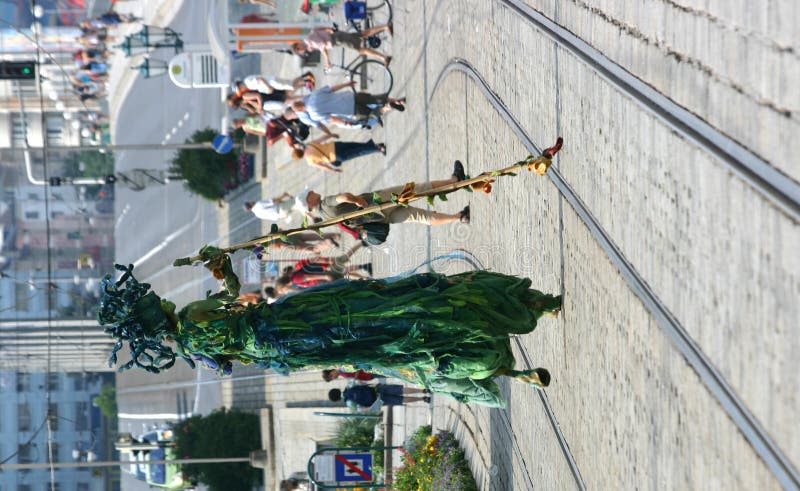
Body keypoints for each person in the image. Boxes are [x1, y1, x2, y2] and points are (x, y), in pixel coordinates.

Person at [98, 262, 560, 407]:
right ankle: (527, 308)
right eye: (150, 301)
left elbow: (226, 362)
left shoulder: (192, 348)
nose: (157, 298)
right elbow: (236, 296)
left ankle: (504, 369)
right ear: (154, 315)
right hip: (285, 322)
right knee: (374, 304)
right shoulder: (194, 314)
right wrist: (223, 268)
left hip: (288, 352)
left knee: (375, 346)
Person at [295, 161, 470, 228]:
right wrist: (358, 201)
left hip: (379, 218)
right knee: (419, 189)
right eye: (309, 194)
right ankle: (455, 181)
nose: (311, 191)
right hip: (380, 202)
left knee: (419, 216)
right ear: (309, 202)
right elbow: (344, 197)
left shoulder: (324, 217)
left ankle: (459, 217)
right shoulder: (325, 203)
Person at [292, 83, 405, 133]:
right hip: (349, 96)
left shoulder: (313, 115)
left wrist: (346, 123)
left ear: (301, 110)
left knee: (373, 113)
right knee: (375, 98)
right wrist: (346, 84)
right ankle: (398, 101)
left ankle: (388, 107)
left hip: (349, 110)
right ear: (300, 101)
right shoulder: (314, 94)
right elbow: (332, 88)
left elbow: (332, 119)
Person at [274, 243, 371, 292]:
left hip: (324, 273)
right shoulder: (294, 279)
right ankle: (365, 269)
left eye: (282, 289)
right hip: (323, 273)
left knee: (344, 264)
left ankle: (362, 247)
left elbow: (309, 277)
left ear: (284, 285)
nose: (284, 291)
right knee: (344, 270)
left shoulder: (295, 279)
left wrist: (324, 277)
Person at [291, 26, 392, 69]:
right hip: (337, 37)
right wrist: (328, 29)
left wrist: (327, 61)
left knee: (361, 50)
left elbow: (322, 47)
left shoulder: (309, 41)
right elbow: (316, 29)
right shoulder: (308, 40)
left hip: (337, 40)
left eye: (299, 51)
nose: (301, 52)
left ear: (298, 46)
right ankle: (385, 27)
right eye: (299, 52)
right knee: (362, 34)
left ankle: (384, 58)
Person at [292, 135, 385, 173]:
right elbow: (322, 138)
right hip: (335, 145)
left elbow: (323, 166)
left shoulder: (310, 161)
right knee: (355, 145)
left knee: (358, 152)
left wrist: (333, 170)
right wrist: (331, 134)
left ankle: (378, 149)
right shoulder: (309, 145)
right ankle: (374, 145)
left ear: (300, 158)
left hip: (336, 156)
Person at [329, 383, 429, 411]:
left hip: (377, 401)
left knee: (401, 400)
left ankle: (423, 399)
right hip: (377, 389)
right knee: (400, 390)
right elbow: (362, 383)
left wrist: (374, 407)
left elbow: (363, 409)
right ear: (337, 390)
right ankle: (422, 391)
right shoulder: (349, 386)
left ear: (337, 400)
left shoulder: (349, 404)